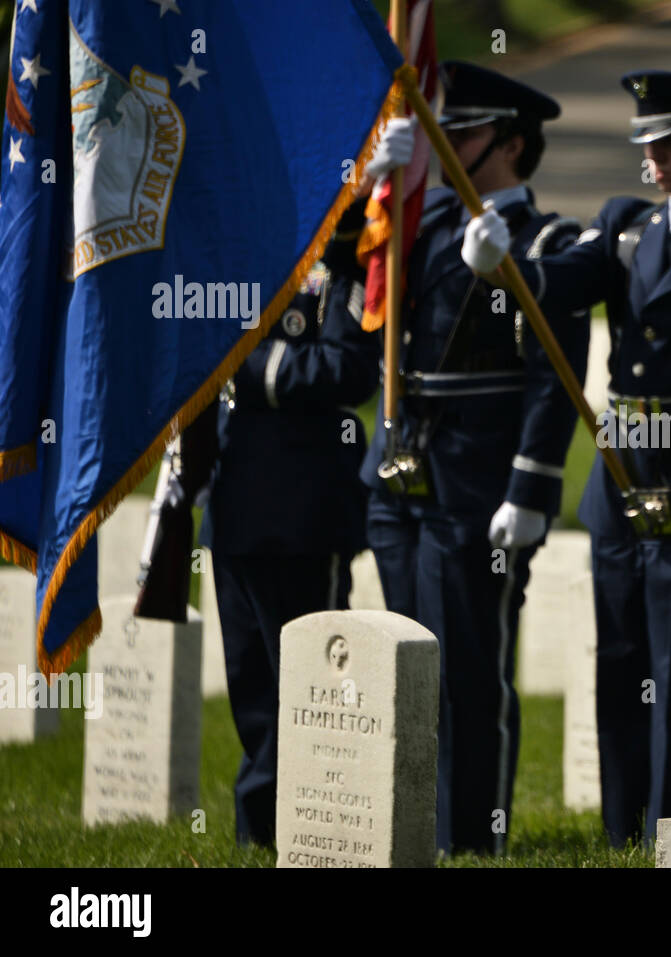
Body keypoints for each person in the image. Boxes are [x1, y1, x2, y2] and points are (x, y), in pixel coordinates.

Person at [461, 70, 671, 848]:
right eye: (647, 143)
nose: (653, 157)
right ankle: (623, 837)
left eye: (670, 141)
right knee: (620, 662)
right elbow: (562, 284)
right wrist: (504, 265)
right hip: (621, 474)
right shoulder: (625, 227)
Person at [359, 62, 588, 856]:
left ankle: (469, 838)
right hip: (400, 471)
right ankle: (414, 830)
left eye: (462, 132)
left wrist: (531, 485)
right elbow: (357, 289)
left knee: (465, 668)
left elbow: (554, 374)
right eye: (442, 129)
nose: (444, 142)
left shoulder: (547, 243)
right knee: (407, 668)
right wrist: (370, 195)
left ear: (511, 144)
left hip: (475, 482)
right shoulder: (419, 223)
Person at [202, 197, 380, 847]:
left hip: (306, 508)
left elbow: (350, 369)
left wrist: (244, 364)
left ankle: (306, 824)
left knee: (308, 681)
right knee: (250, 676)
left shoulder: (344, 266)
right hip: (233, 501)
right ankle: (261, 829)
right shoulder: (240, 261)